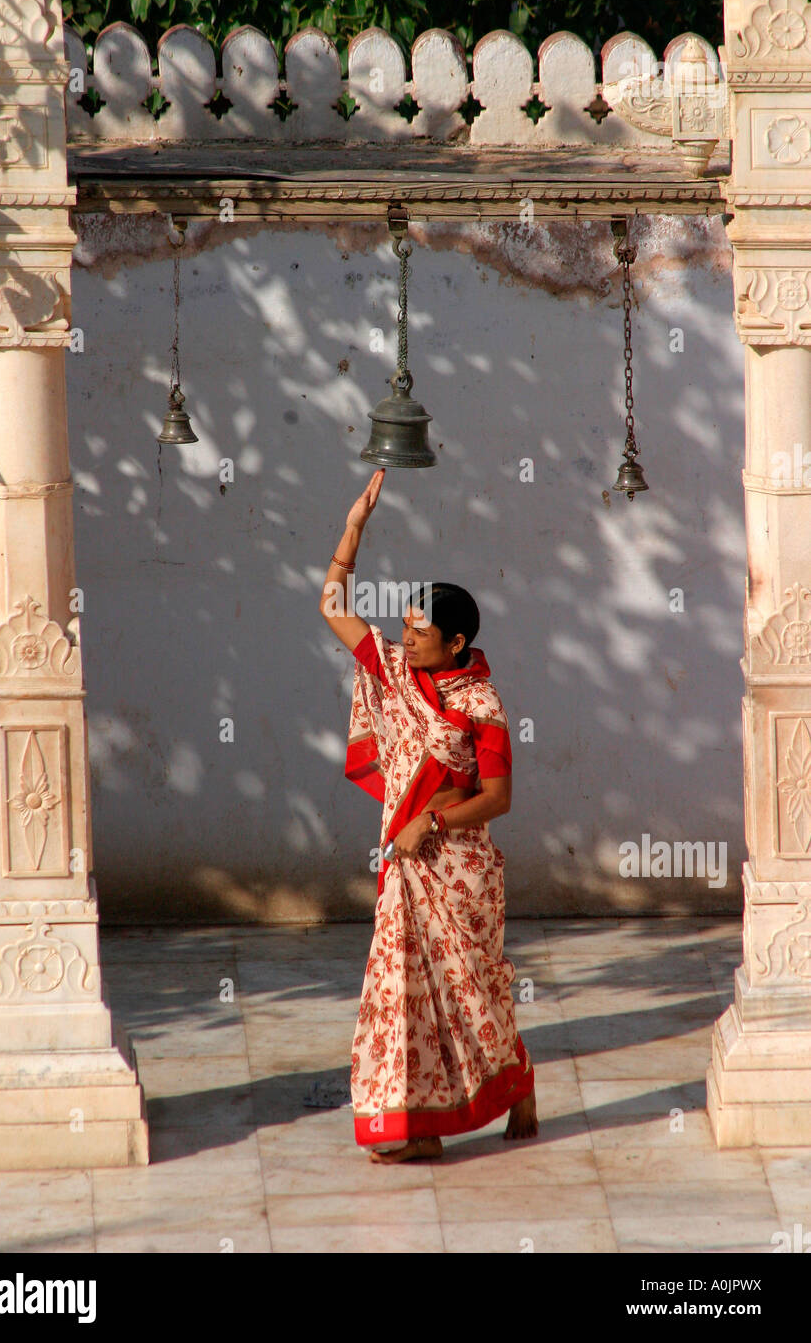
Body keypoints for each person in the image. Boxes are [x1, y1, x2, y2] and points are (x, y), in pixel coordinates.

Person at [319, 469, 538, 1164]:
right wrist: (354, 529)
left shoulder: (483, 708)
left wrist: (434, 824)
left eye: (420, 632)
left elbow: (499, 799)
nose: (405, 640)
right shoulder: (394, 677)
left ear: (456, 643)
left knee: (472, 990)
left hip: (457, 868)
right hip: (404, 866)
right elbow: (331, 605)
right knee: (403, 992)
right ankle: (420, 1127)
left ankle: (516, 1083)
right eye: (406, 628)